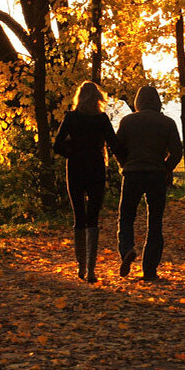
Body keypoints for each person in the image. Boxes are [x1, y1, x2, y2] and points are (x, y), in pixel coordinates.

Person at [53, 81, 126, 283]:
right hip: (95, 166)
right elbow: (114, 144)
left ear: (79, 97)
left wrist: (71, 151)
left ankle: (81, 267)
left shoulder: (71, 117)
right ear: (98, 98)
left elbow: (57, 145)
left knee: (79, 216)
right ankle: (92, 269)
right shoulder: (102, 119)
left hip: (75, 166)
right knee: (93, 216)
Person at [115, 86, 182, 281]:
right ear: (157, 102)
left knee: (126, 217)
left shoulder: (127, 121)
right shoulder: (167, 123)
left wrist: (124, 164)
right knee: (155, 222)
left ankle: (127, 249)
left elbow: (117, 147)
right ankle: (150, 270)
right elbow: (177, 150)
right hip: (156, 175)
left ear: (137, 102)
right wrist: (167, 168)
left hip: (132, 174)